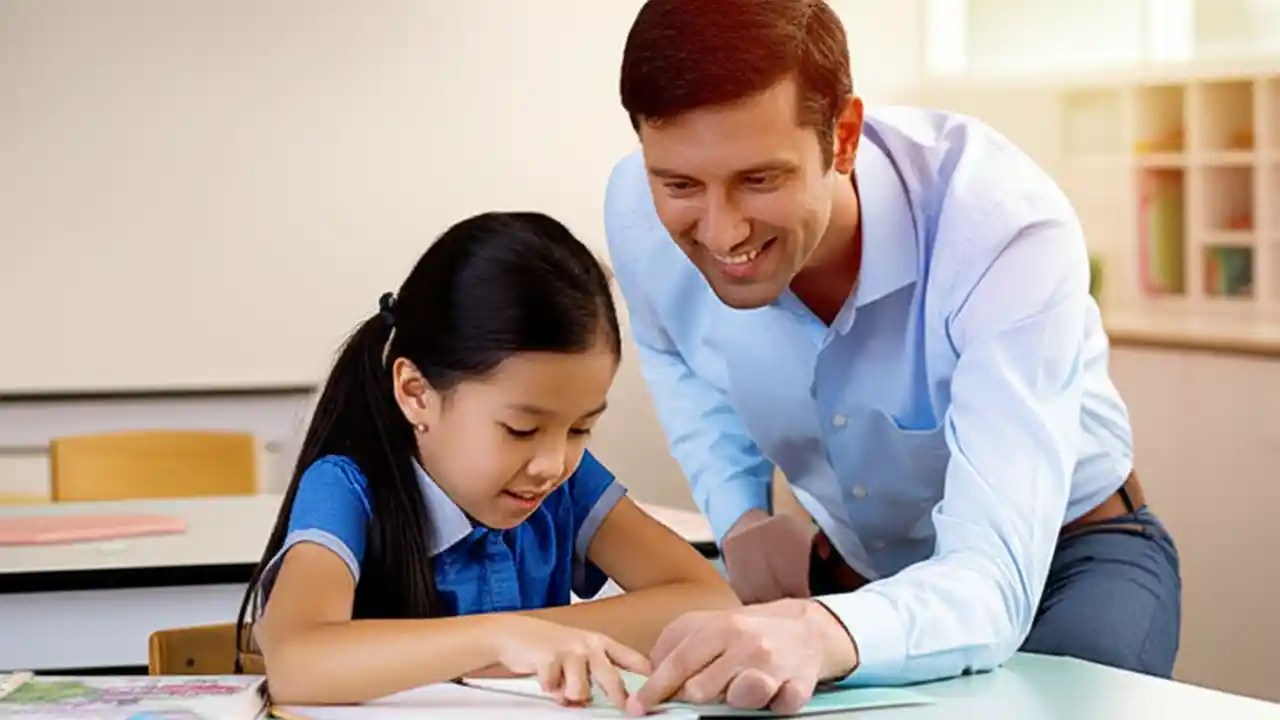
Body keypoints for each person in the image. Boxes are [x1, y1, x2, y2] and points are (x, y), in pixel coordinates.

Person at [603, 0, 1181, 714]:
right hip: (861, 572)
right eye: (682, 185)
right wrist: (739, 513)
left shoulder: (1002, 230)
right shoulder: (637, 210)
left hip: (1069, 555)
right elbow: (676, 354)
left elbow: (991, 578)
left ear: (843, 137)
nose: (722, 232)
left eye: (759, 180)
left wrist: (821, 630)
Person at [234, 211, 738, 708]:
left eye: (581, 428)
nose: (552, 462)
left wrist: (529, 639)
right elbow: (296, 663)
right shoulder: (348, 486)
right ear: (416, 394)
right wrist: (500, 639)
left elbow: (708, 601)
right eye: (520, 429)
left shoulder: (565, 481)